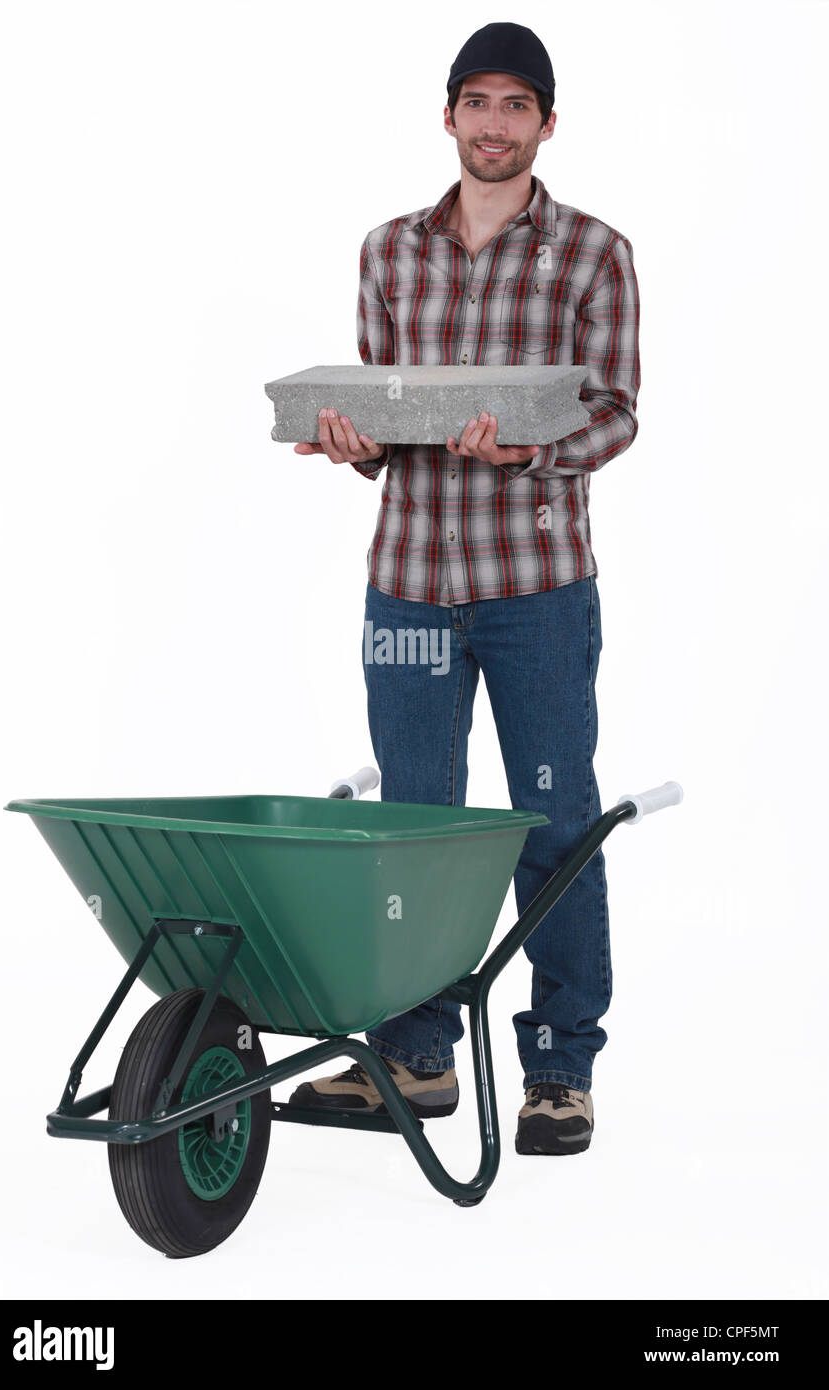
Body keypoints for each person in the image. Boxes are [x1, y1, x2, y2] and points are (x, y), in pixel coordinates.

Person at [288, 22, 640, 1155]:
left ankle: (559, 1072)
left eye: (514, 105)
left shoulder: (592, 252)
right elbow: (386, 422)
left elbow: (618, 411)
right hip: (408, 591)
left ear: (545, 123)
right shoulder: (387, 251)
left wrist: (526, 454)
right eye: (474, 102)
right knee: (413, 826)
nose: (493, 123)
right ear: (446, 116)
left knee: (551, 822)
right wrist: (353, 442)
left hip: (535, 588)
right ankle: (415, 1055)